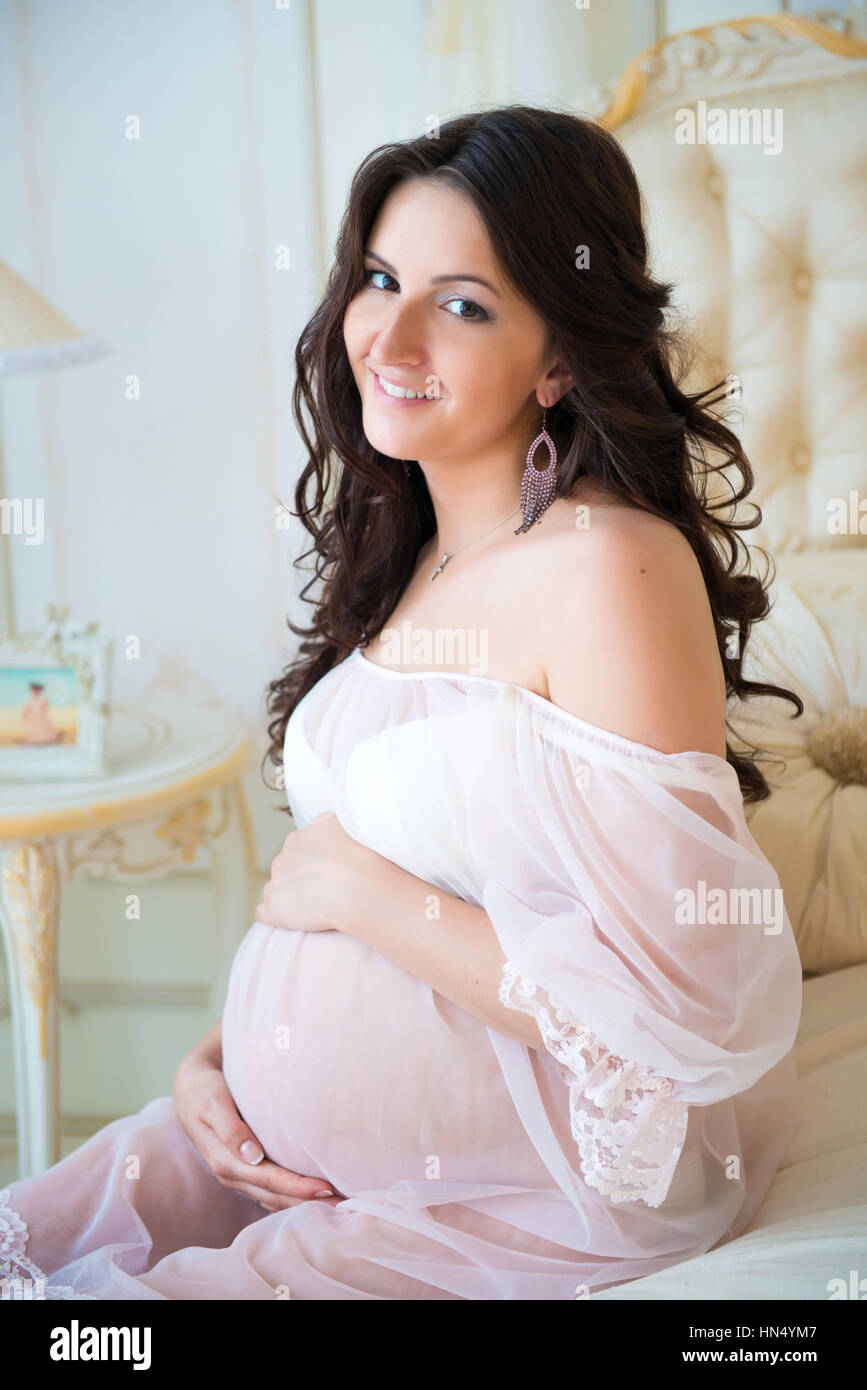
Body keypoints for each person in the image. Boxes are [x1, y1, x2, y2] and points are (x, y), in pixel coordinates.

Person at [0, 105, 805, 1302]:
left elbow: (665, 1000)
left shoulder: (610, 567)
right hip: (286, 1154)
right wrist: (218, 1060)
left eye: (465, 303)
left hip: (517, 1189)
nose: (392, 335)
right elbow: (387, 881)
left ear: (562, 357)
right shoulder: (407, 554)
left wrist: (363, 896)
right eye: (381, 279)